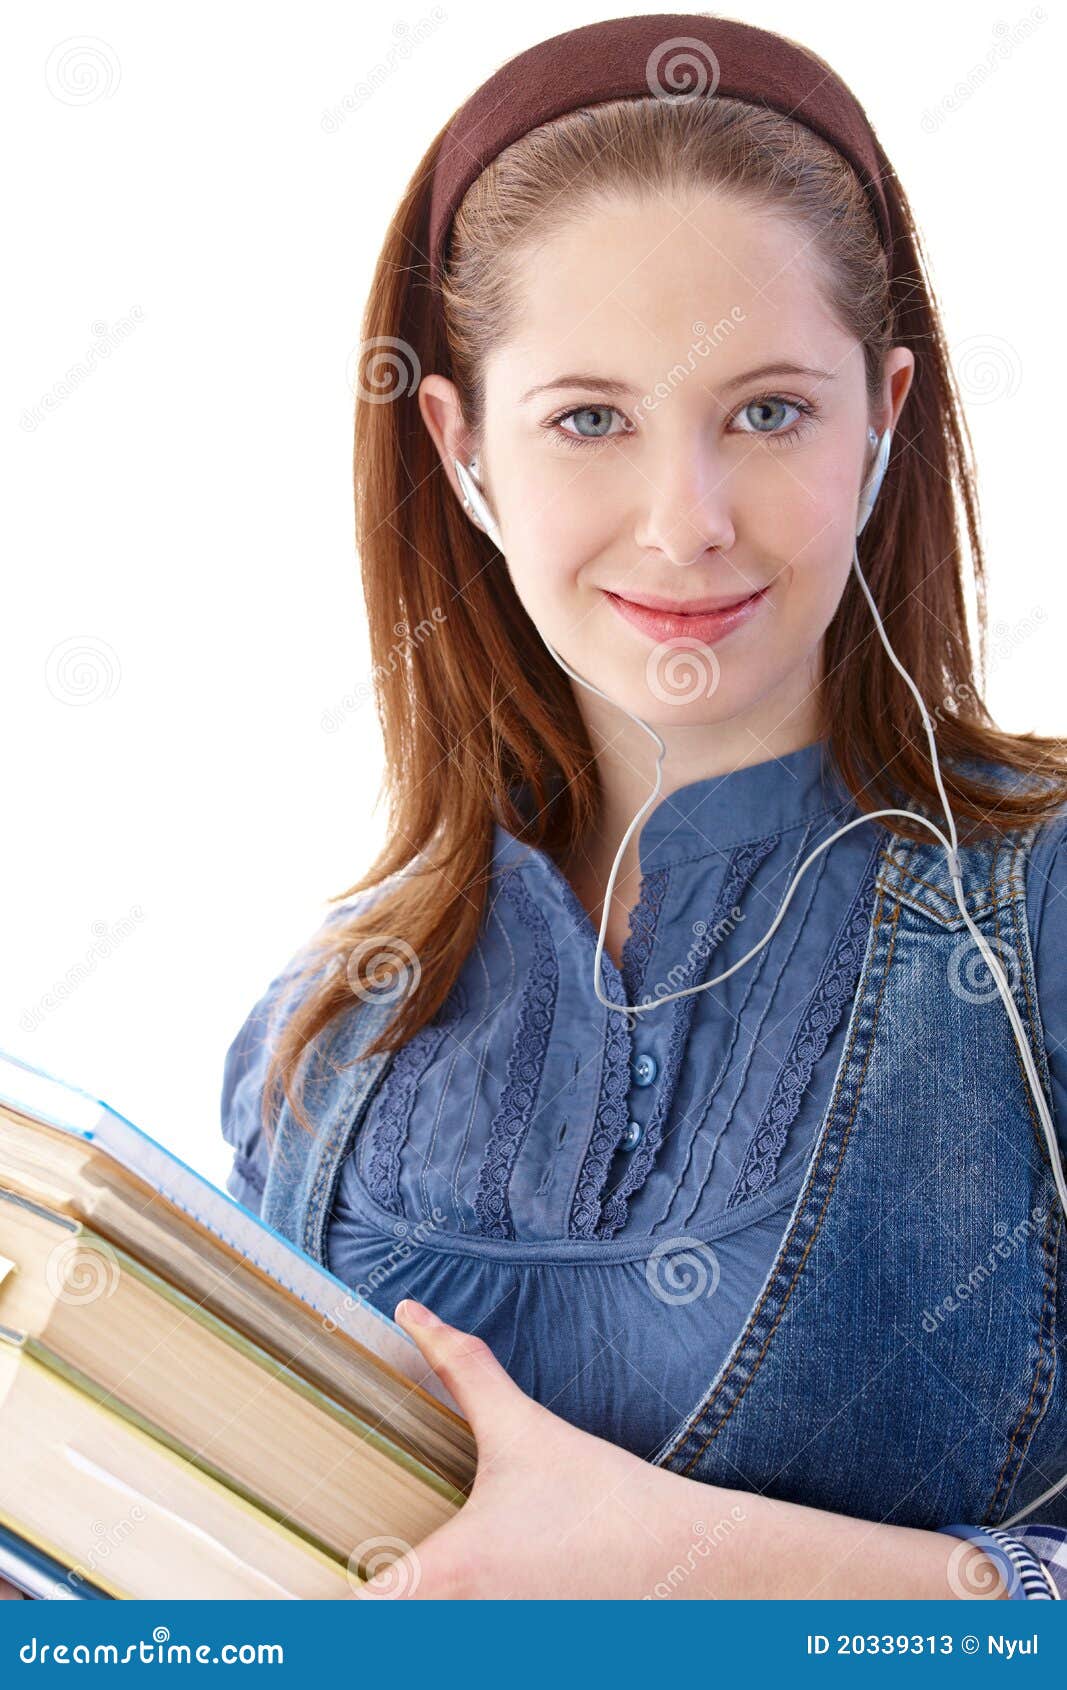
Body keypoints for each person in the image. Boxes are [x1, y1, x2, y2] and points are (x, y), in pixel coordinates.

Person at [218, 15, 1067, 1601]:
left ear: (884, 412)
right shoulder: (325, 1033)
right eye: (590, 419)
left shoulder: (1047, 913)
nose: (686, 524)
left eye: (768, 412)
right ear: (462, 446)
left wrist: (691, 1570)